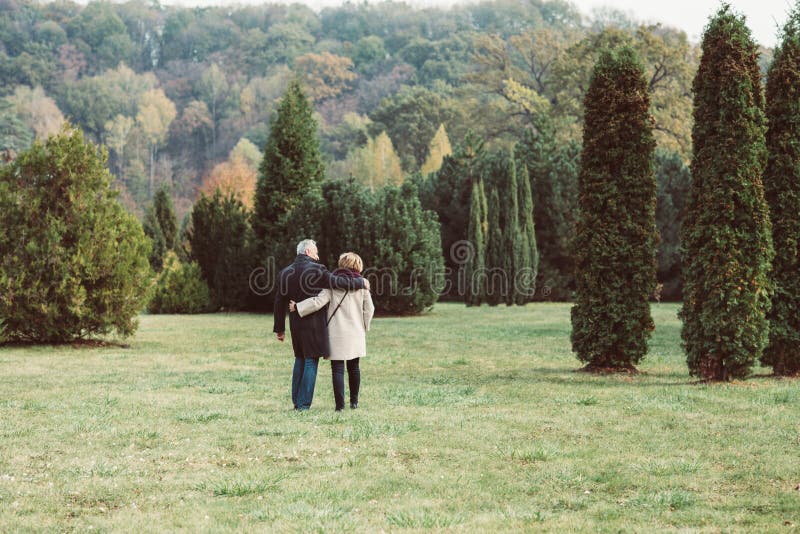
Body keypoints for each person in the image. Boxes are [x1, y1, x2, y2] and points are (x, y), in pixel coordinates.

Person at [273, 240, 369, 411]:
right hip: (314, 324)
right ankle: (303, 405)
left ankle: (296, 401)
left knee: (299, 358)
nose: (318, 256)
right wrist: (360, 283)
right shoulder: (317, 269)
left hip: (295, 323)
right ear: (309, 252)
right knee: (310, 360)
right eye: (316, 252)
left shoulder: (284, 272)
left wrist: (279, 328)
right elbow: (338, 282)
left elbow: (279, 302)